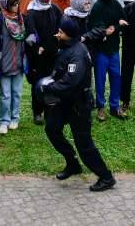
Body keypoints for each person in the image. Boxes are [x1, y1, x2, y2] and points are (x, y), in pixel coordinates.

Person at [38, 17, 116, 191]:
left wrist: (50, 88)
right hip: (64, 101)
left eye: (61, 32)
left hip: (79, 104)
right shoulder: (66, 46)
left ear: (69, 34)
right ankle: (72, 164)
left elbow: (71, 81)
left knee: (84, 143)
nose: (57, 34)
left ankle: (106, 177)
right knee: (52, 129)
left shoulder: (78, 53)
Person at [87, 0, 127, 121]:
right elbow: (94, 27)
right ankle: (101, 107)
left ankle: (115, 107)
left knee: (116, 77)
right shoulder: (97, 7)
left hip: (114, 48)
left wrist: (115, 27)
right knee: (100, 79)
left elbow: (122, 20)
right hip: (101, 50)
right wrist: (104, 31)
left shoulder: (116, 3)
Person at [25, 0, 63, 125]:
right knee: (38, 83)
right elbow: (30, 34)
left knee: (52, 82)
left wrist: (61, 38)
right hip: (38, 56)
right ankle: (37, 112)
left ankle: (50, 110)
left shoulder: (55, 8)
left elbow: (61, 25)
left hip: (54, 53)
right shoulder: (32, 12)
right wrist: (37, 47)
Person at [0, 0, 27, 135]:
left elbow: (29, 35)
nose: (16, 7)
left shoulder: (21, 19)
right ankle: (4, 121)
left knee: (17, 93)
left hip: (18, 62)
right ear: (5, 4)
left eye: (17, 4)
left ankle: (15, 118)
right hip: (4, 62)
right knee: (5, 94)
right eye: (13, 4)